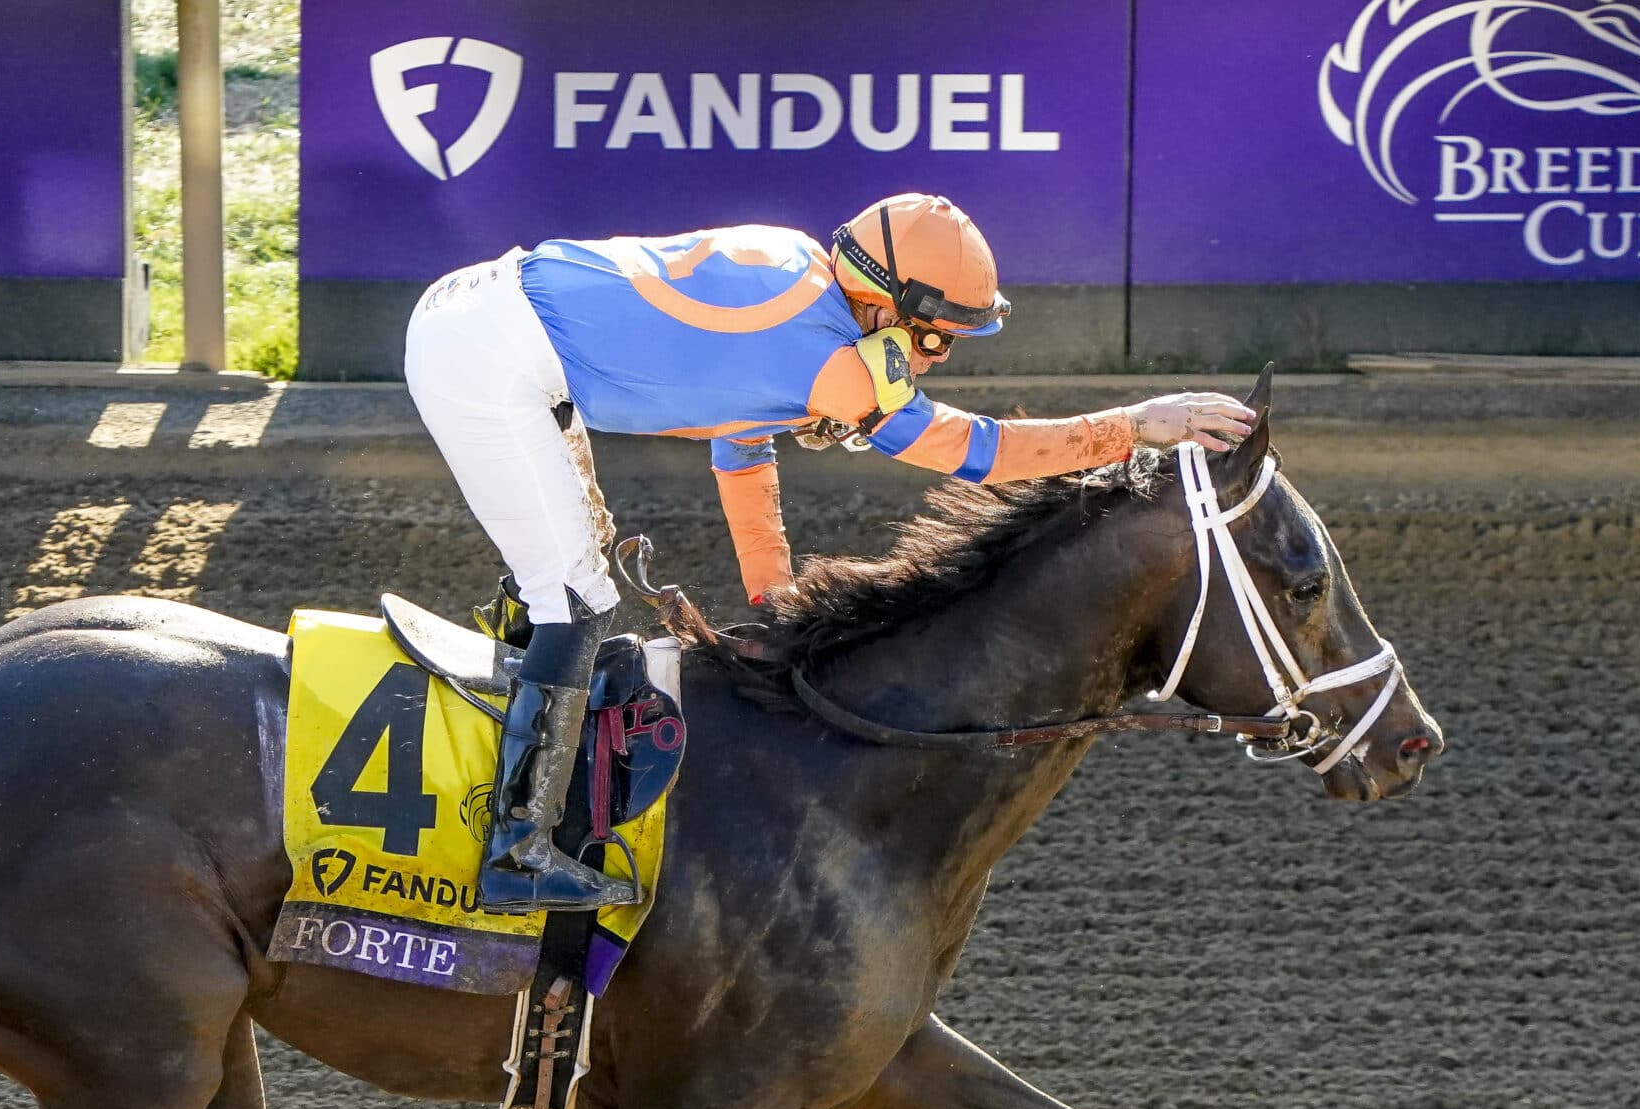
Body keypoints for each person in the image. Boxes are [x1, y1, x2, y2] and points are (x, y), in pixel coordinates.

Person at [404, 192, 1256, 914]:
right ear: (883, 306)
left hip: (481, 314)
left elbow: (742, 449)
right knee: (579, 595)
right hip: (487, 361)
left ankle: (510, 726)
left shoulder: (794, 261)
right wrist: (1132, 427)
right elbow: (979, 453)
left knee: (565, 567)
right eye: (936, 335)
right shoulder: (827, 360)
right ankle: (517, 850)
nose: (940, 354)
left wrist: (775, 602)